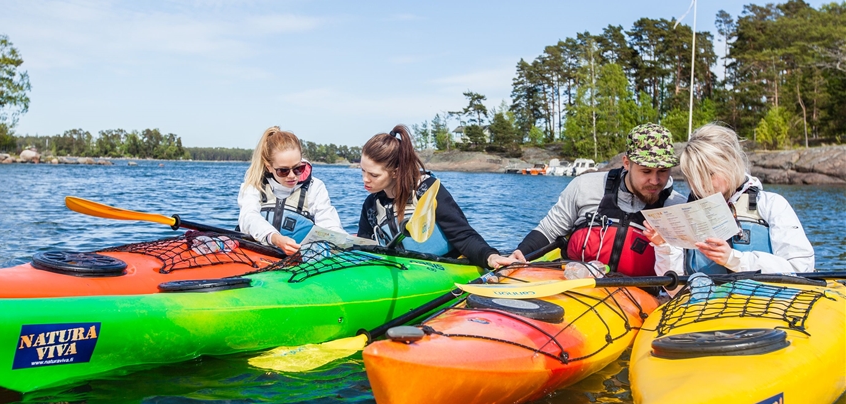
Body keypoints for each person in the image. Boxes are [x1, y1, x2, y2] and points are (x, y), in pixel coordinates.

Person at [508, 123, 687, 277]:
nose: (655, 181)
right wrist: (519, 254)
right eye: (646, 171)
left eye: (662, 171)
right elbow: (549, 230)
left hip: (642, 298)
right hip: (577, 287)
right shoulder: (585, 186)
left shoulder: (677, 206)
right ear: (626, 163)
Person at [643, 123, 815, 275]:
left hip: (765, 304)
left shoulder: (772, 205)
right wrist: (664, 247)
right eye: (694, 178)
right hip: (709, 306)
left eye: (710, 174)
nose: (702, 185)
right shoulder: (688, 214)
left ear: (730, 162)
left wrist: (733, 259)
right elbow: (675, 291)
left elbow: (801, 268)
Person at [357, 124, 516, 269]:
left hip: (447, 268)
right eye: (362, 170)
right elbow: (365, 246)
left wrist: (490, 256)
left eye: (373, 175)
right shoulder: (371, 205)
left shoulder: (427, 190)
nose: (365, 179)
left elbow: (462, 235)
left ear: (395, 172)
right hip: (405, 271)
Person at [238, 126, 346, 255]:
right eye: (283, 170)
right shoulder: (253, 185)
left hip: (302, 259)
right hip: (258, 255)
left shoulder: (315, 187)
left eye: (298, 168)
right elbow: (248, 217)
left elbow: (329, 224)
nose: (292, 176)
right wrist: (275, 238)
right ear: (269, 167)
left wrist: (345, 242)